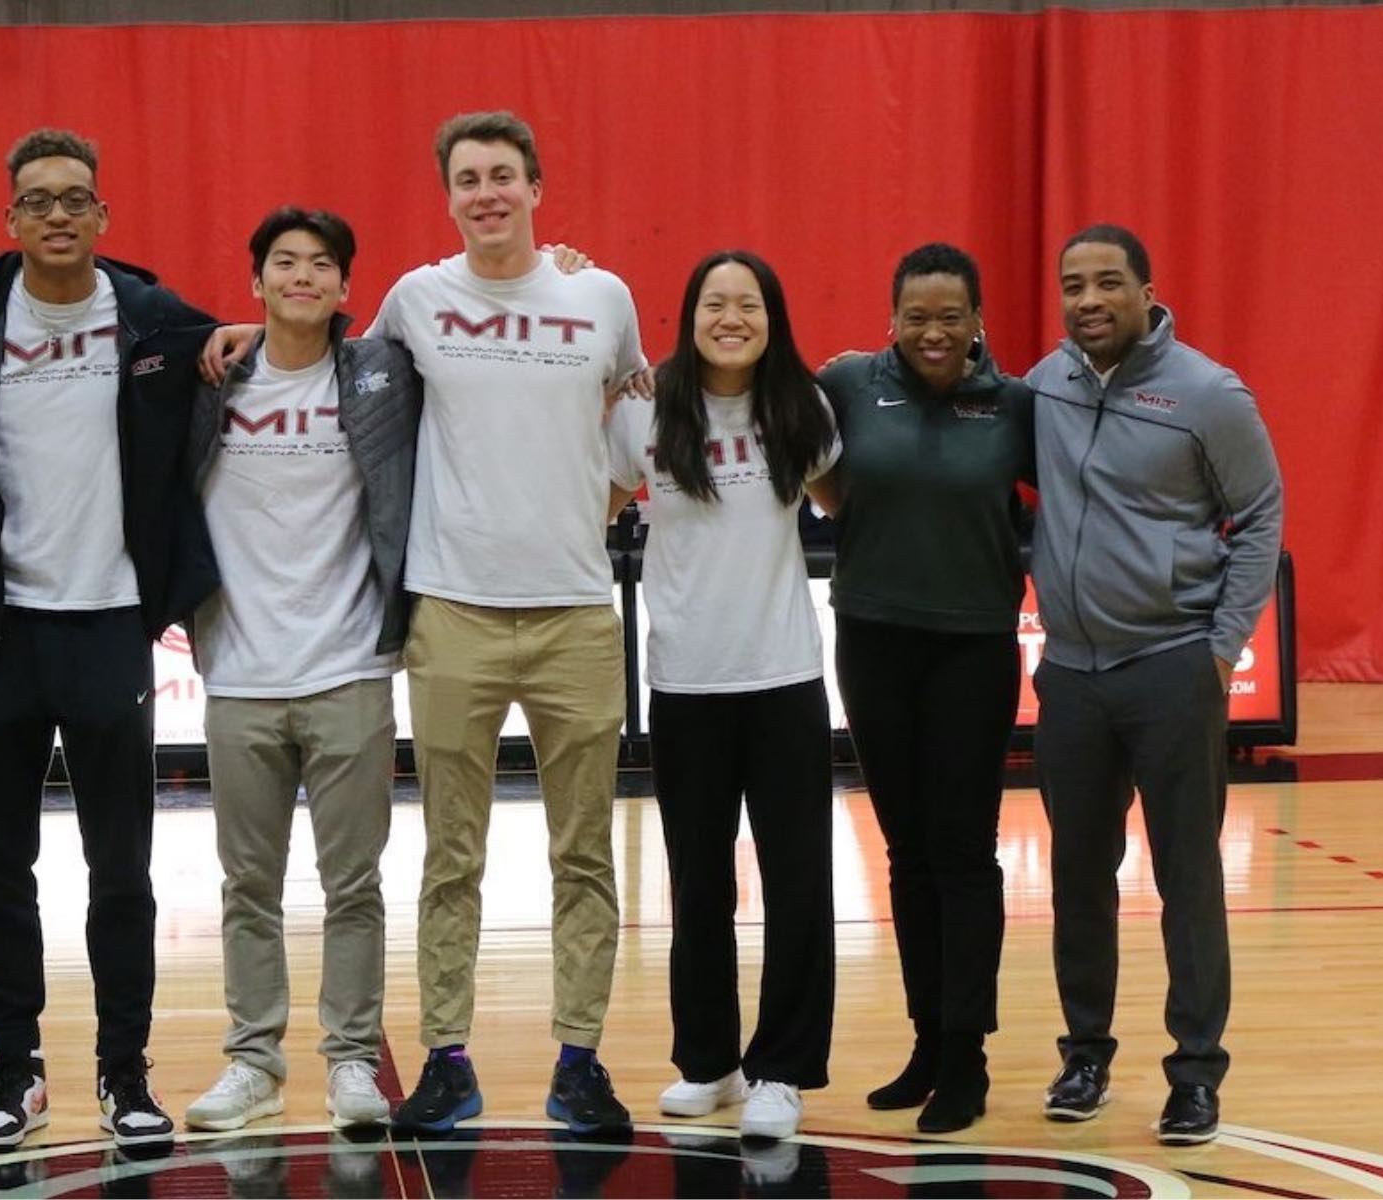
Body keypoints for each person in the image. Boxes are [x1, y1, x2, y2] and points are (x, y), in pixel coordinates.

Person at [0, 128, 219, 1150]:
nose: (58, 214)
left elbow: (266, 344)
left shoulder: (154, 321)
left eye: (76, 198)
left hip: (107, 627)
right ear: (10, 221)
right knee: (2, 871)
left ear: (103, 216)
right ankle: (16, 1067)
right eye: (38, 200)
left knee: (120, 870)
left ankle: (124, 1071)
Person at [371, 111, 648, 1135]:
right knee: (452, 857)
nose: (486, 193)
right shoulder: (415, 300)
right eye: (468, 179)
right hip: (454, 616)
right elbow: (345, 390)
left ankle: (579, 1059)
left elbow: (626, 434)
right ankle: (448, 1058)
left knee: (585, 855)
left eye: (503, 176)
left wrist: (572, 514)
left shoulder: (600, 296)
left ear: (537, 188)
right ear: (449, 198)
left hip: (578, 613)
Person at [1025, 224, 1282, 1146]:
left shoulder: (1208, 394)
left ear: (1146, 290)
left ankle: (1195, 1074)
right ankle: (1085, 1054)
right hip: (1071, 676)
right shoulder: (1045, 386)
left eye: (1106, 284)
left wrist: (1219, 649)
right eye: (1072, 286)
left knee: (1188, 878)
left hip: (1173, 667)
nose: (1087, 300)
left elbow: (1259, 516)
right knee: (1079, 878)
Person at [177, 208, 418, 1134]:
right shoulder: (211, 382)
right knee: (249, 887)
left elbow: (462, 335)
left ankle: (354, 1061)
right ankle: (253, 1061)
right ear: (257, 282)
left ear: (346, 289)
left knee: (353, 884)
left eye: (323, 265)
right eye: (285, 262)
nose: (304, 276)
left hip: (350, 665)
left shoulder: (381, 375)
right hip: (239, 671)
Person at [608, 250, 839, 1141]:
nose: (731, 317)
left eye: (748, 304)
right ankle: (710, 1062)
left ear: (772, 318)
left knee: (797, 881)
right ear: (690, 314)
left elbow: (833, 497)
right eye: (715, 302)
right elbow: (604, 499)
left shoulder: (803, 408)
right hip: (684, 682)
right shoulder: (646, 411)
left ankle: (785, 1069)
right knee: (698, 885)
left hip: (782, 677)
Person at [809, 243, 1037, 1135]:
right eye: (917, 317)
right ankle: (926, 1044)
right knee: (904, 852)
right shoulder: (849, 384)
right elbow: (795, 451)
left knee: (964, 852)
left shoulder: (1016, 406)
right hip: (872, 640)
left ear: (978, 320)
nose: (933, 332)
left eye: (951, 316)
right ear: (891, 319)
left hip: (974, 648)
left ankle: (967, 1056)